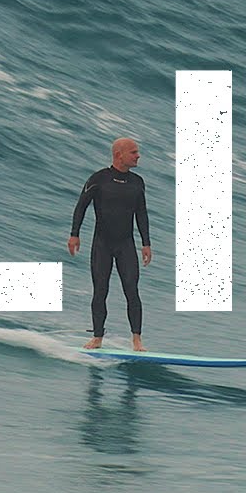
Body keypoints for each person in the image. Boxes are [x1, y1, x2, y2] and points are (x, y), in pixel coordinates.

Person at [68, 137, 152, 352]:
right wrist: (74, 234)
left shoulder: (137, 182)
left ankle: (137, 340)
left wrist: (146, 243)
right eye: (133, 152)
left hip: (126, 245)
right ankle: (97, 338)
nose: (138, 156)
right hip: (102, 244)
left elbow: (141, 214)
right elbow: (81, 207)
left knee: (132, 290)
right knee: (100, 291)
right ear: (119, 155)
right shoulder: (99, 179)